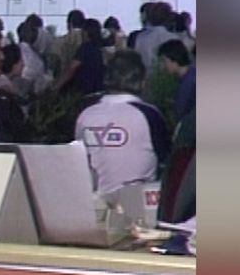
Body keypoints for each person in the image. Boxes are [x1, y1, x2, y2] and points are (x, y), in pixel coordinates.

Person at [74, 50, 171, 197]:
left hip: (95, 199)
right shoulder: (149, 115)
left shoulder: (86, 115)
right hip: (139, 200)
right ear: (142, 82)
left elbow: (79, 158)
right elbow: (166, 157)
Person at [158, 39, 195, 121]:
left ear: (174, 60)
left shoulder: (187, 83)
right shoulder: (192, 75)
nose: (163, 66)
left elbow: (181, 113)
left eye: (165, 61)